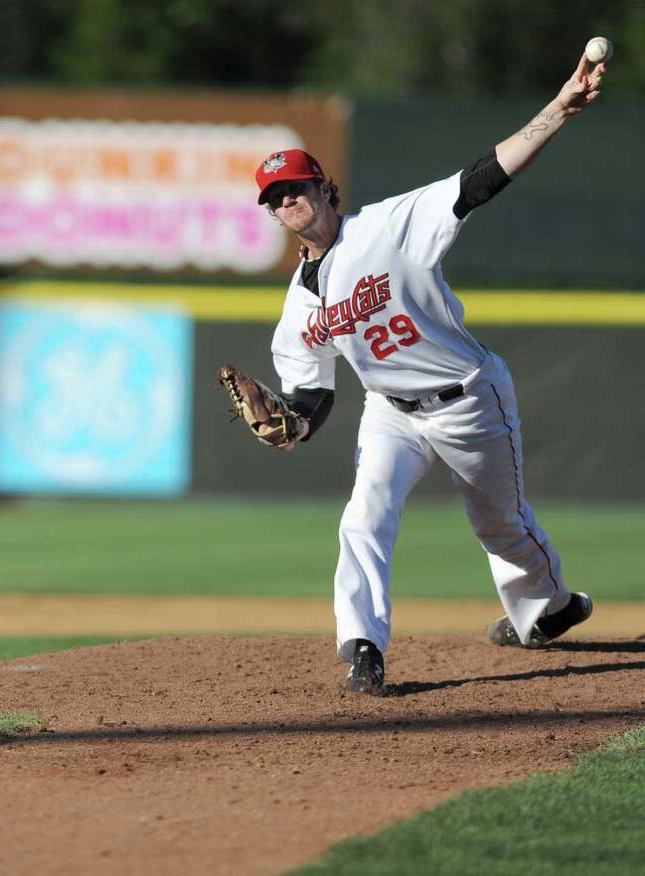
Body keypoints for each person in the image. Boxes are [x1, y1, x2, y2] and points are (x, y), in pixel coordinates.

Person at [251, 52, 606, 695]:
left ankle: (545, 608)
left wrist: (556, 111)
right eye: (276, 198)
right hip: (389, 410)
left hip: (468, 397)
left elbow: (481, 180)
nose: (288, 200)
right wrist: (293, 424)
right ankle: (363, 647)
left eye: (296, 187)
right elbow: (311, 392)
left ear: (324, 189)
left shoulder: (388, 226)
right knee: (364, 516)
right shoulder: (298, 308)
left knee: (501, 524)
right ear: (272, 214)